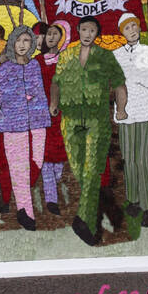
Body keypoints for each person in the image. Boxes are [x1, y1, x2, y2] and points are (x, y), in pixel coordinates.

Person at [50, 16, 127, 246]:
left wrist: (121, 109)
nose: (87, 33)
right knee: (79, 170)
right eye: (84, 29)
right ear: (78, 31)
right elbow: (56, 82)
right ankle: (90, 219)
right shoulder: (66, 56)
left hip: (97, 119)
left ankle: (85, 221)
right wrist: (54, 103)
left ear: (97, 34)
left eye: (92, 30)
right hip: (70, 119)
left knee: (92, 169)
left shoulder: (105, 56)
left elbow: (120, 83)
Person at [0, 25, 50, 231]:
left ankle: (21, 195)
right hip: (13, 126)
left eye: (27, 41)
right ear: (12, 43)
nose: (22, 45)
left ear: (32, 44)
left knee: (36, 163)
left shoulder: (34, 67)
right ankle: (25, 211)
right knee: (19, 169)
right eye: (18, 41)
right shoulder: (3, 71)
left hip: (39, 124)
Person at [112, 12, 148, 230]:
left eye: (134, 26)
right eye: (127, 28)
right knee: (129, 158)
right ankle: (134, 199)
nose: (132, 31)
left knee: (145, 159)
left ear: (139, 28)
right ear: (122, 32)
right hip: (126, 112)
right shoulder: (116, 54)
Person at [35, 20, 70, 215]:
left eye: (56, 34)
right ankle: (51, 198)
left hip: (62, 111)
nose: (51, 37)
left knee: (60, 151)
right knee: (46, 153)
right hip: (42, 111)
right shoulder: (37, 62)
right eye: (48, 34)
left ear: (62, 38)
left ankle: (55, 180)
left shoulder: (66, 59)